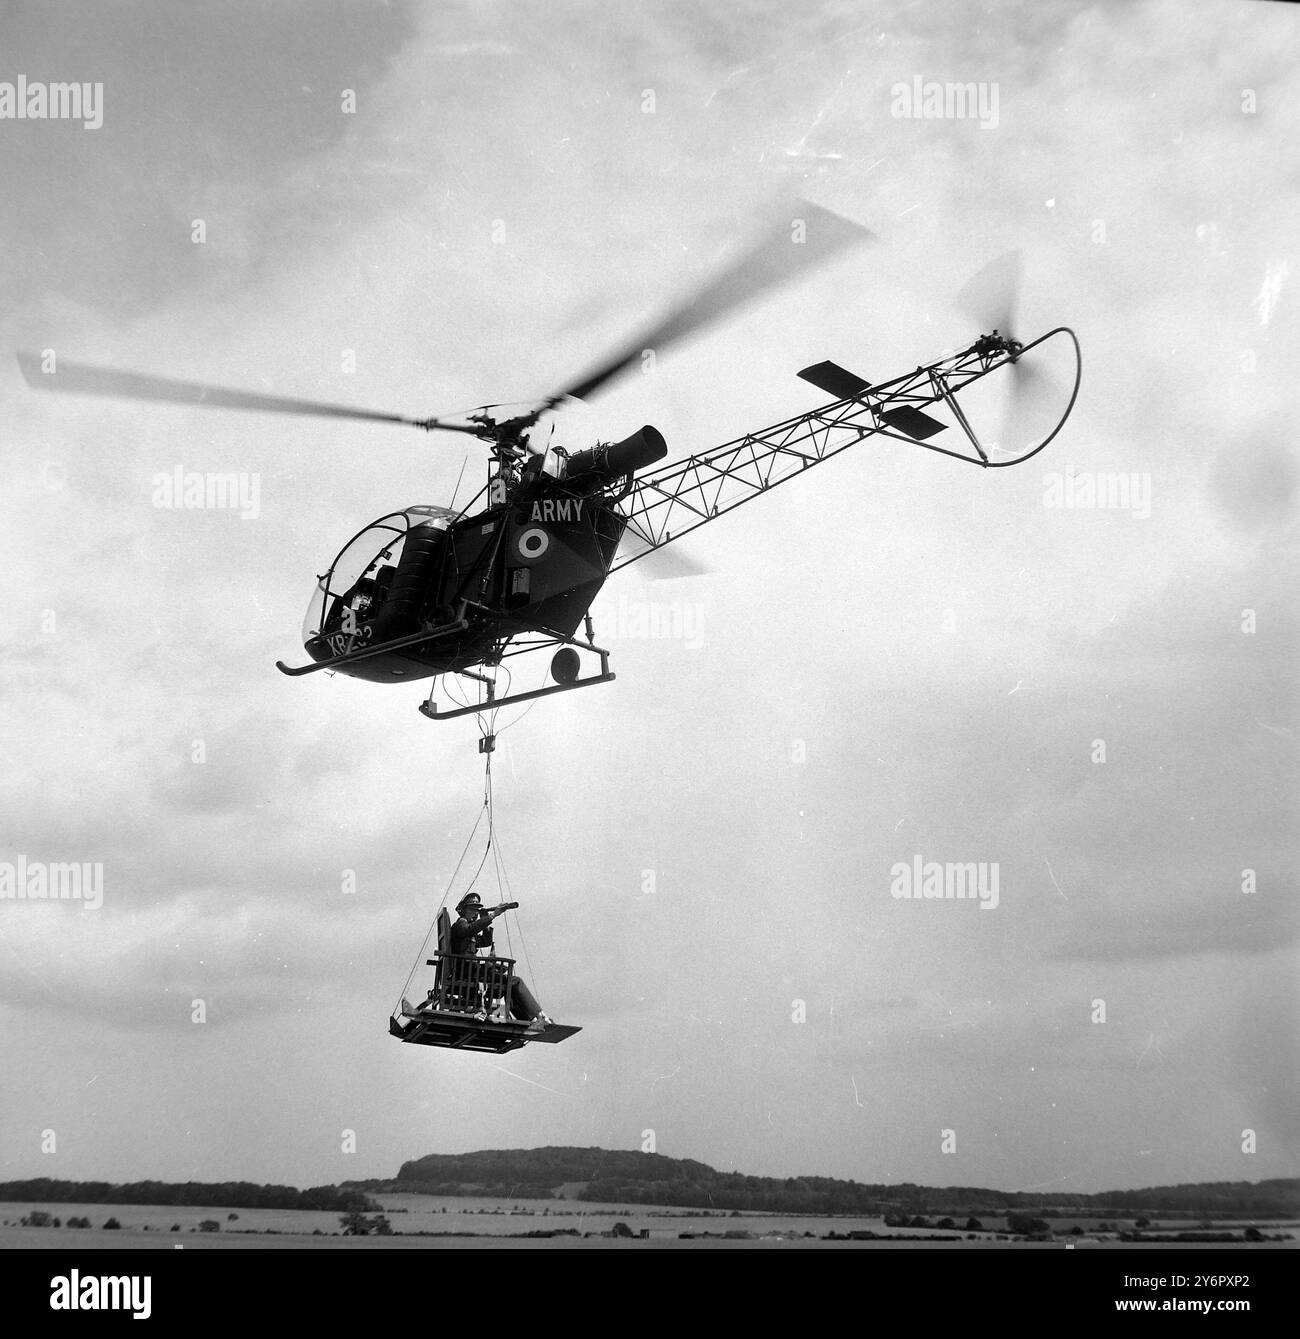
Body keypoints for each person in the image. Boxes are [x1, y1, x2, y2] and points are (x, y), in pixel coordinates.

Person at [447, 893, 552, 1031]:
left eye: (477, 909)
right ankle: (540, 1018)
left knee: (509, 983)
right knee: (514, 982)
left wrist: (485, 919)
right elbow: (468, 930)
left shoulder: (467, 929)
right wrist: (492, 916)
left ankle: (531, 1020)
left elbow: (485, 941)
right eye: (472, 909)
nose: (475, 912)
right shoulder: (460, 924)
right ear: (463, 910)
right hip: (469, 972)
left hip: (472, 971)